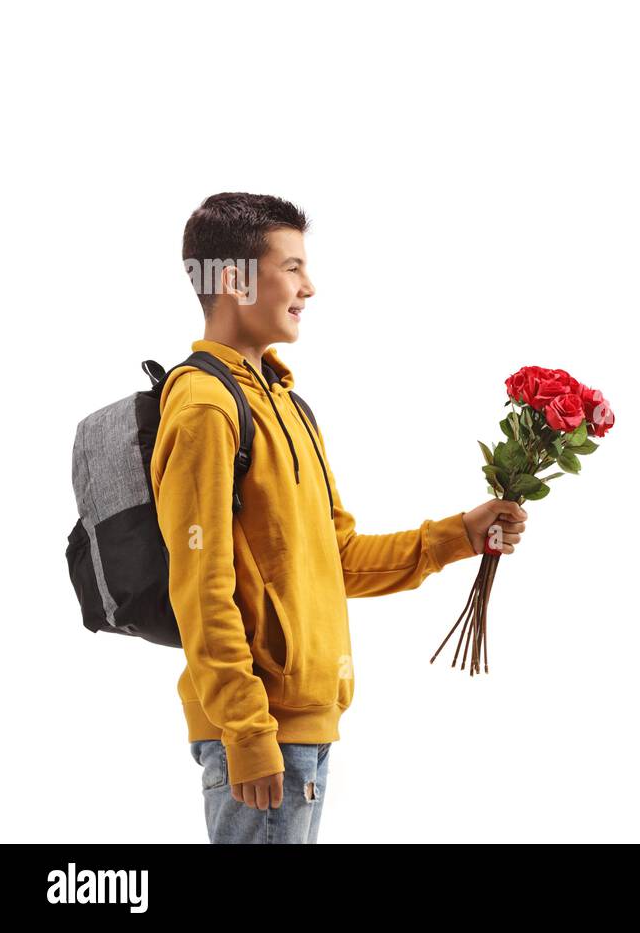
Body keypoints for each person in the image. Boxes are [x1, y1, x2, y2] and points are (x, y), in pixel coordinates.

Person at [152, 192, 528, 843]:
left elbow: (339, 557)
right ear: (235, 280)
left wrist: (458, 536)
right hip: (260, 731)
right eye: (292, 267)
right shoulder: (206, 408)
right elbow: (200, 587)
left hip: (305, 727)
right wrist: (246, 731)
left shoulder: (287, 405)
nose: (310, 287)